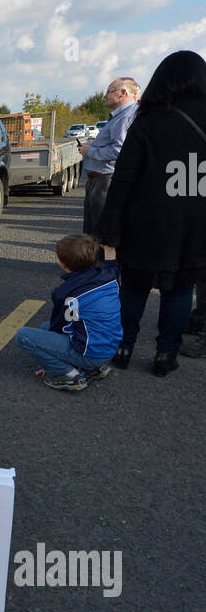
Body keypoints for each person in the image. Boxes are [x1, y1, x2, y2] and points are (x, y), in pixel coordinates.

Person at [95, 50, 206, 374]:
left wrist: (109, 228)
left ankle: (124, 346)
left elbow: (124, 179)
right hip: (195, 223)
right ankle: (165, 355)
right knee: (181, 288)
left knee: (134, 287)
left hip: (147, 219)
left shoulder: (150, 120)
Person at [15, 234, 122, 391]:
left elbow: (60, 326)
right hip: (110, 347)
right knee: (46, 326)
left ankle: (69, 374)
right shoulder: (109, 275)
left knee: (23, 335)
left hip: (91, 353)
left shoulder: (68, 293)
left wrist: (48, 361)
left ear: (62, 264)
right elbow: (112, 264)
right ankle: (92, 369)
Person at [79, 78, 140, 232]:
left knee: (100, 231)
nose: (105, 95)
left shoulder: (125, 117)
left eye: (109, 91)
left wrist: (90, 152)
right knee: (95, 229)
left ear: (122, 93)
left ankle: (101, 257)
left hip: (106, 179)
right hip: (101, 179)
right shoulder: (121, 116)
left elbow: (120, 150)